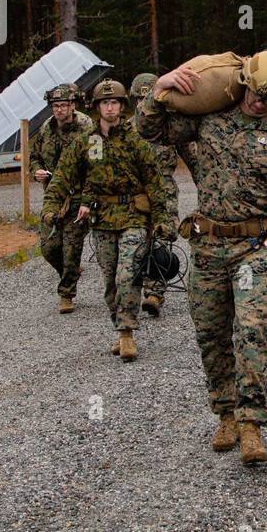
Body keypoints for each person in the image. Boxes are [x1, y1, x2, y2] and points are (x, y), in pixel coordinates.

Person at [138, 50, 267, 466]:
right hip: (207, 246)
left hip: (257, 249)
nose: (259, 103)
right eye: (255, 94)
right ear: (244, 85)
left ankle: (252, 422)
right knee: (212, 333)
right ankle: (225, 413)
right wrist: (160, 87)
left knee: (252, 329)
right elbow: (149, 130)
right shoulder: (207, 120)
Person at [42, 80, 174, 361]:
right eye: (105, 103)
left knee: (129, 274)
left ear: (122, 106)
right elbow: (63, 176)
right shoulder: (86, 142)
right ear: (97, 107)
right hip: (101, 220)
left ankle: (127, 334)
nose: (110, 107)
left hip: (133, 218)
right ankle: (120, 327)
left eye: (114, 102)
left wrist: (162, 219)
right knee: (111, 280)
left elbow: (154, 182)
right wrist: (51, 206)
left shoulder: (135, 141)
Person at [29, 83, 95, 313]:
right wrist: (36, 171)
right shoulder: (46, 129)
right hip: (54, 196)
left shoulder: (87, 127)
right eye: (55, 106)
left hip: (78, 195)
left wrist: (89, 198)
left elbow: (97, 164)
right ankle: (70, 273)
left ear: (73, 105)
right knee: (49, 248)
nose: (59, 110)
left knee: (71, 248)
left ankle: (66, 294)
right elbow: (34, 157)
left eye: (63, 105)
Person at [127, 73, 182, 317]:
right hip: (134, 194)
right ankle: (132, 290)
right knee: (136, 242)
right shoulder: (126, 129)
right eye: (140, 99)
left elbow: (194, 158)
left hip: (164, 192)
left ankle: (155, 293)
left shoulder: (170, 127)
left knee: (162, 238)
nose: (143, 104)